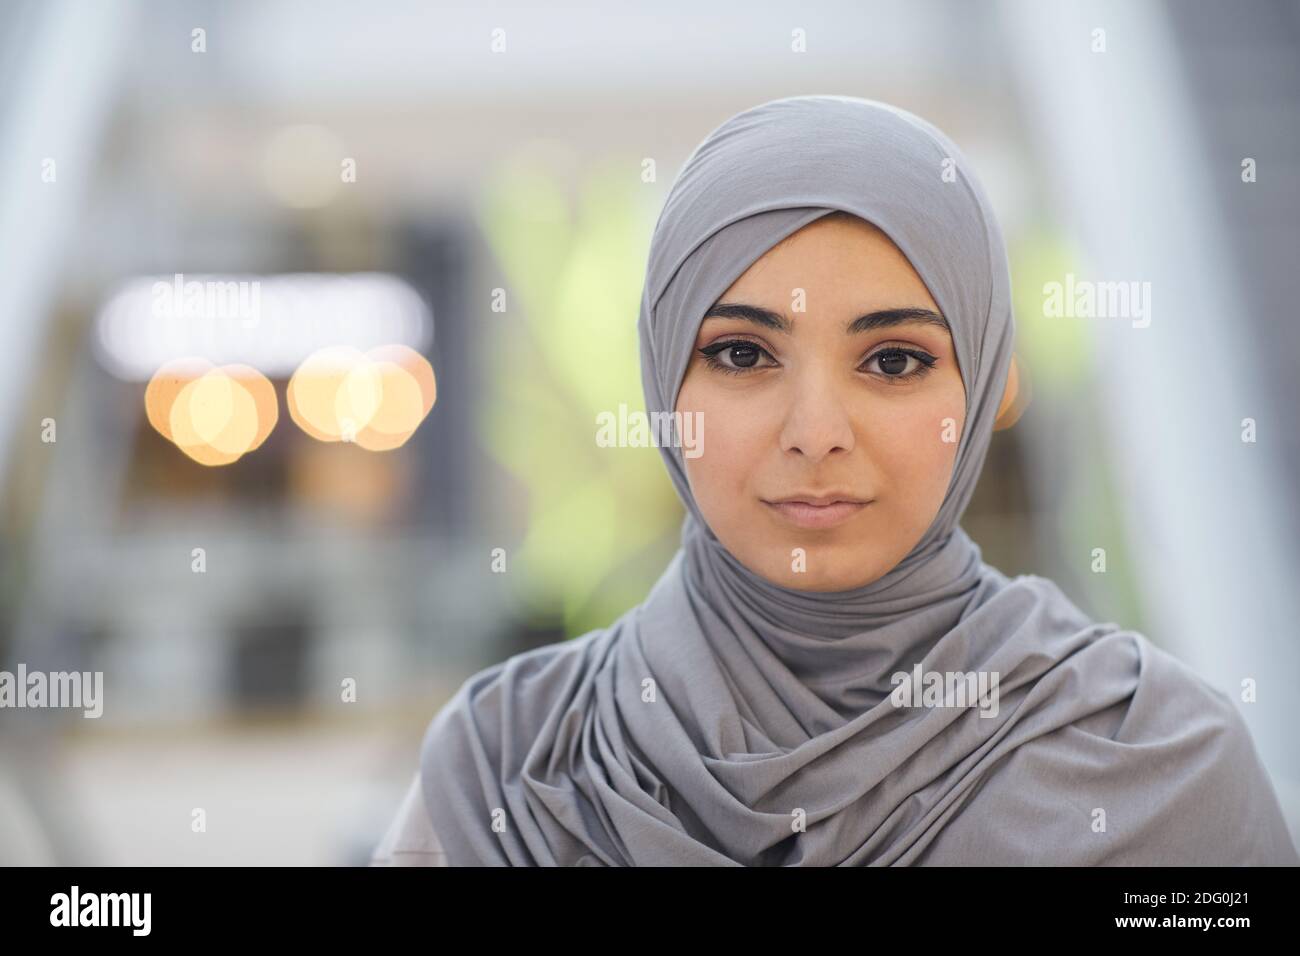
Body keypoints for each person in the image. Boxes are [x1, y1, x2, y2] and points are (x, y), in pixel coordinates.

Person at [371, 94, 1298, 866]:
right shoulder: (505, 766)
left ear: (978, 387)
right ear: (663, 381)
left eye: (894, 361)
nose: (816, 434)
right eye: (741, 352)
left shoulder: (1159, 770)